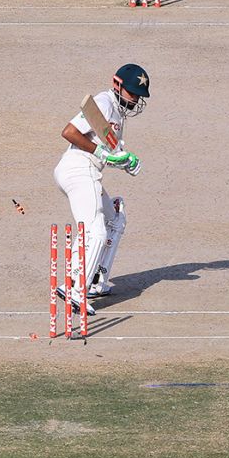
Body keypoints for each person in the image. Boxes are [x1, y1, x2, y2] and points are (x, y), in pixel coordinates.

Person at [53, 63, 149, 306]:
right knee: (96, 230)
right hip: (78, 169)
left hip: (88, 171)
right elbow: (69, 132)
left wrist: (126, 161)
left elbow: (110, 151)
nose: (135, 99)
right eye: (132, 93)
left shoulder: (117, 113)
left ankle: (97, 281)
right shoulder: (104, 102)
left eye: (139, 96)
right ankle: (75, 288)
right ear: (117, 84)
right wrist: (105, 155)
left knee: (115, 219)